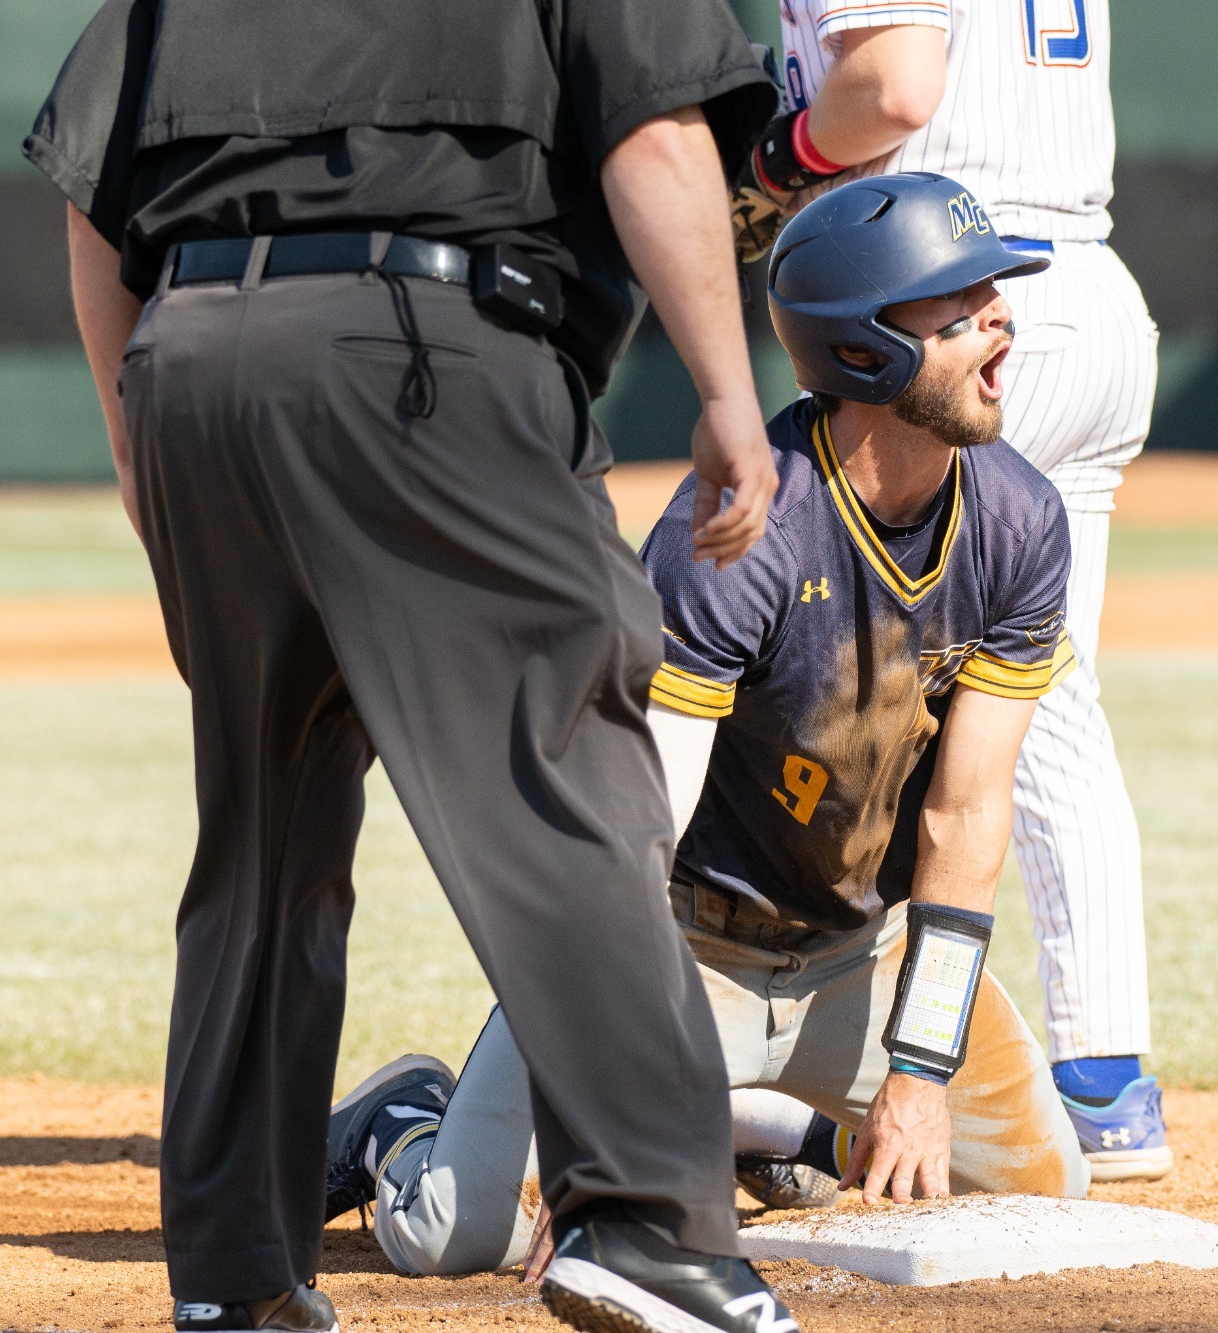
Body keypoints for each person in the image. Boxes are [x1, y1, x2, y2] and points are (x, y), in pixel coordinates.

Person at [22, 3, 798, 1331]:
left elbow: (95, 210)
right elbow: (659, 138)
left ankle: (235, 1275)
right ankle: (651, 1228)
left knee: (260, 836)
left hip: (193, 363)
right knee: (559, 765)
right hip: (426, 344)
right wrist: (731, 391)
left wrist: (141, 446)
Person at [323, 173, 1092, 1282]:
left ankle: (780, 1134)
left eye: (992, 296)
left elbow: (968, 816)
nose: (999, 319)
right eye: (959, 305)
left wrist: (919, 1072)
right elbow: (641, 825)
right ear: (865, 352)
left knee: (1037, 1197)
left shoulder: (1020, 520)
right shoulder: (739, 530)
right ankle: (403, 1119)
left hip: (856, 960)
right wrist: (603, 1146)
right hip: (675, 955)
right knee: (457, 1233)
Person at [723, 0, 1170, 1184]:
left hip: (931, 287)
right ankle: (1105, 1079)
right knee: (1048, 700)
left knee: (839, 656)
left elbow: (895, 91)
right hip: (1073, 286)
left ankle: (805, 1040)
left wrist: (776, 162)